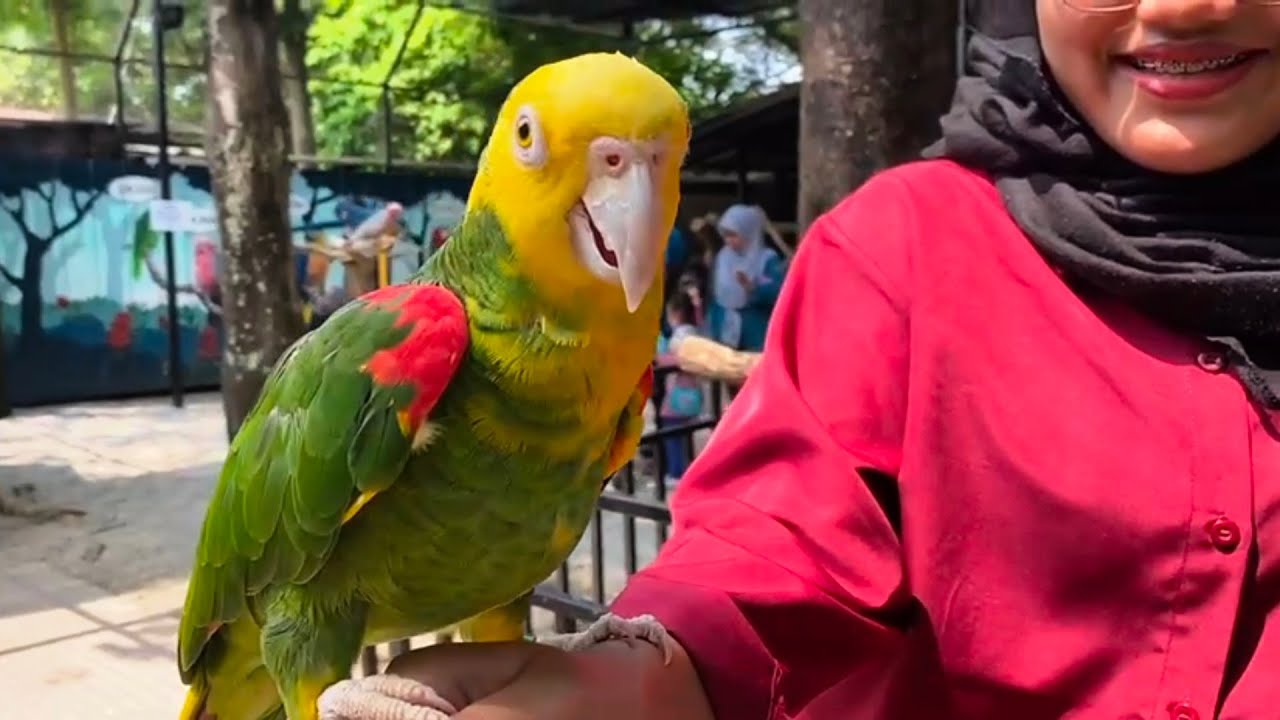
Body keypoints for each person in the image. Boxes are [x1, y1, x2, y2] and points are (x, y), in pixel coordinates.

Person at [319, 1, 1280, 718]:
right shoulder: (899, 245)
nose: (1184, 4)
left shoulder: (620, 367)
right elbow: (777, 552)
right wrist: (618, 686)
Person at [707, 204, 786, 352]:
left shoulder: (766, 260)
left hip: (756, 331)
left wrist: (753, 288)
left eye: (733, 235)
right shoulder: (723, 258)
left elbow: (778, 291)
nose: (729, 241)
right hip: (725, 332)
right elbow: (716, 295)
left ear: (747, 232)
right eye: (725, 235)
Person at [654, 290, 705, 486]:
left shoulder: (679, 337)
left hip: (676, 396)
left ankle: (676, 473)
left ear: (674, 313)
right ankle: (689, 471)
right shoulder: (696, 332)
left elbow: (672, 360)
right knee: (688, 435)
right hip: (694, 394)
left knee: (672, 436)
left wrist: (659, 349)